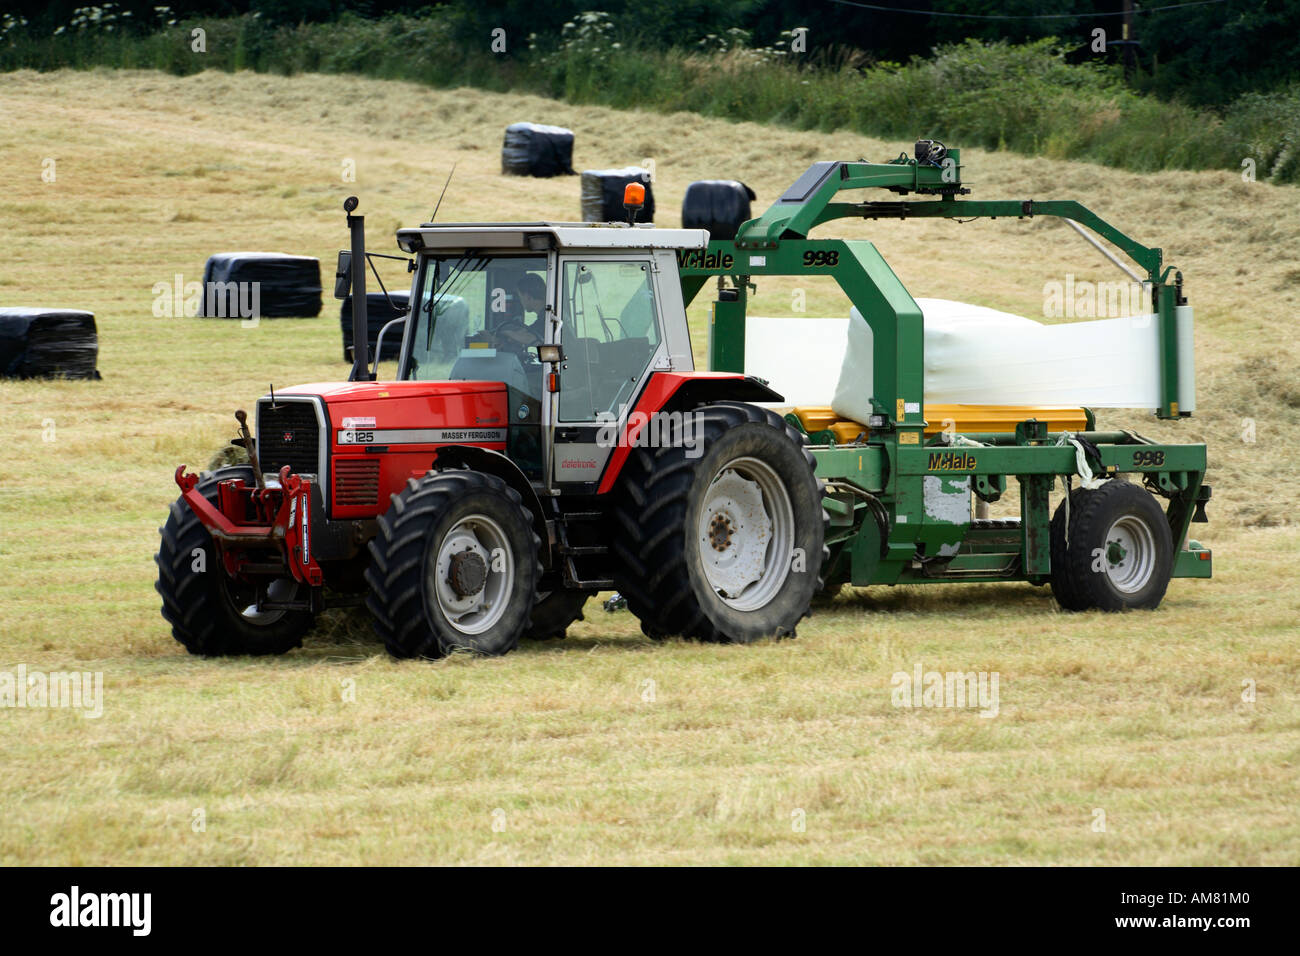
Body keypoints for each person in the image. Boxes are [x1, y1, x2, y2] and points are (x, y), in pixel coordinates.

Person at [492, 273, 546, 351]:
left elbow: (531, 337)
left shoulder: (548, 319)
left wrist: (503, 333)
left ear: (528, 297)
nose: (521, 302)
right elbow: (530, 331)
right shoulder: (544, 317)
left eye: (520, 297)